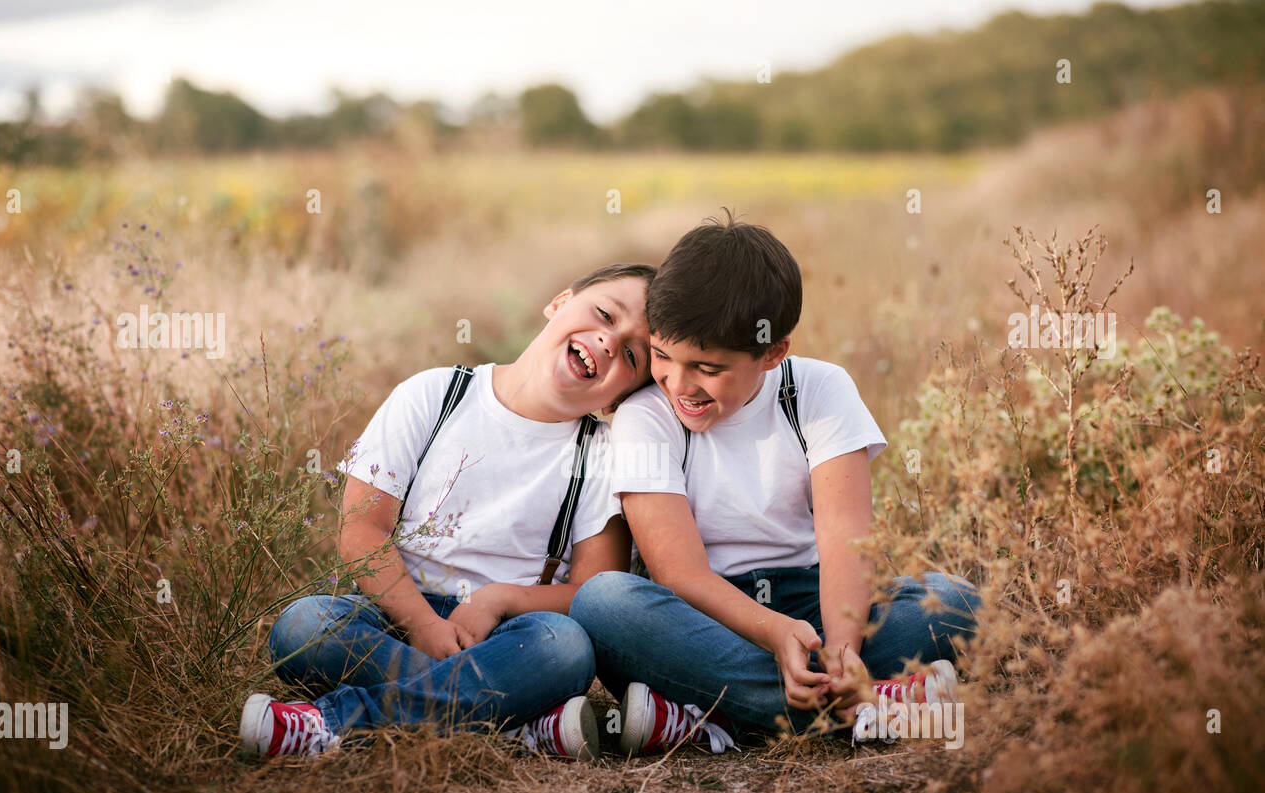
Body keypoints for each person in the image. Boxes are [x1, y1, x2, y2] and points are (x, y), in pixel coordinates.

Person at [569, 213, 981, 754]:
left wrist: (841, 651)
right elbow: (679, 573)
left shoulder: (818, 389)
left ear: (772, 352)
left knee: (957, 603)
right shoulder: (646, 416)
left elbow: (844, 541)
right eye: (664, 356)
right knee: (603, 604)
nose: (678, 383)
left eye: (708, 368)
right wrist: (771, 632)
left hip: (814, 601)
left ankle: (714, 716)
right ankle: (869, 707)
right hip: (700, 619)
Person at [240, 262, 655, 761]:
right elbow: (362, 531)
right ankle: (508, 718)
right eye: (606, 314)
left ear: (619, 399)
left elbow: (593, 594)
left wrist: (498, 600)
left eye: (633, 355)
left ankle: (331, 724)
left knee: (565, 648)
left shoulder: (601, 454)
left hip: (507, 637)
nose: (611, 342)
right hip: (394, 615)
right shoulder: (435, 395)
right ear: (560, 302)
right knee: (305, 626)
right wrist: (423, 625)